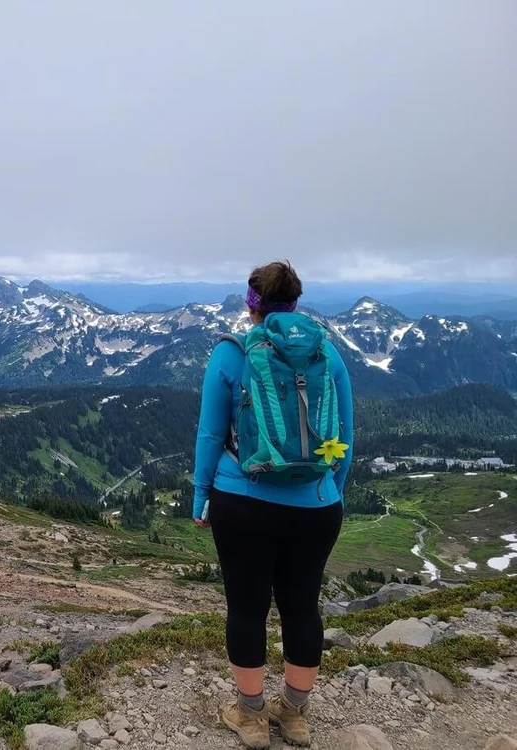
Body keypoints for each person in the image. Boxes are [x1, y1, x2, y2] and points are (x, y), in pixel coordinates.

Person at [192, 261, 352, 749]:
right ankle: (296, 716)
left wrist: (202, 493)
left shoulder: (231, 353)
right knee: (302, 607)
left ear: (250, 304)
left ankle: (251, 716)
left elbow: (210, 433)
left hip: (243, 502)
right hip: (317, 505)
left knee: (246, 608)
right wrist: (333, 489)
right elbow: (344, 436)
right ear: (296, 303)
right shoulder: (328, 354)